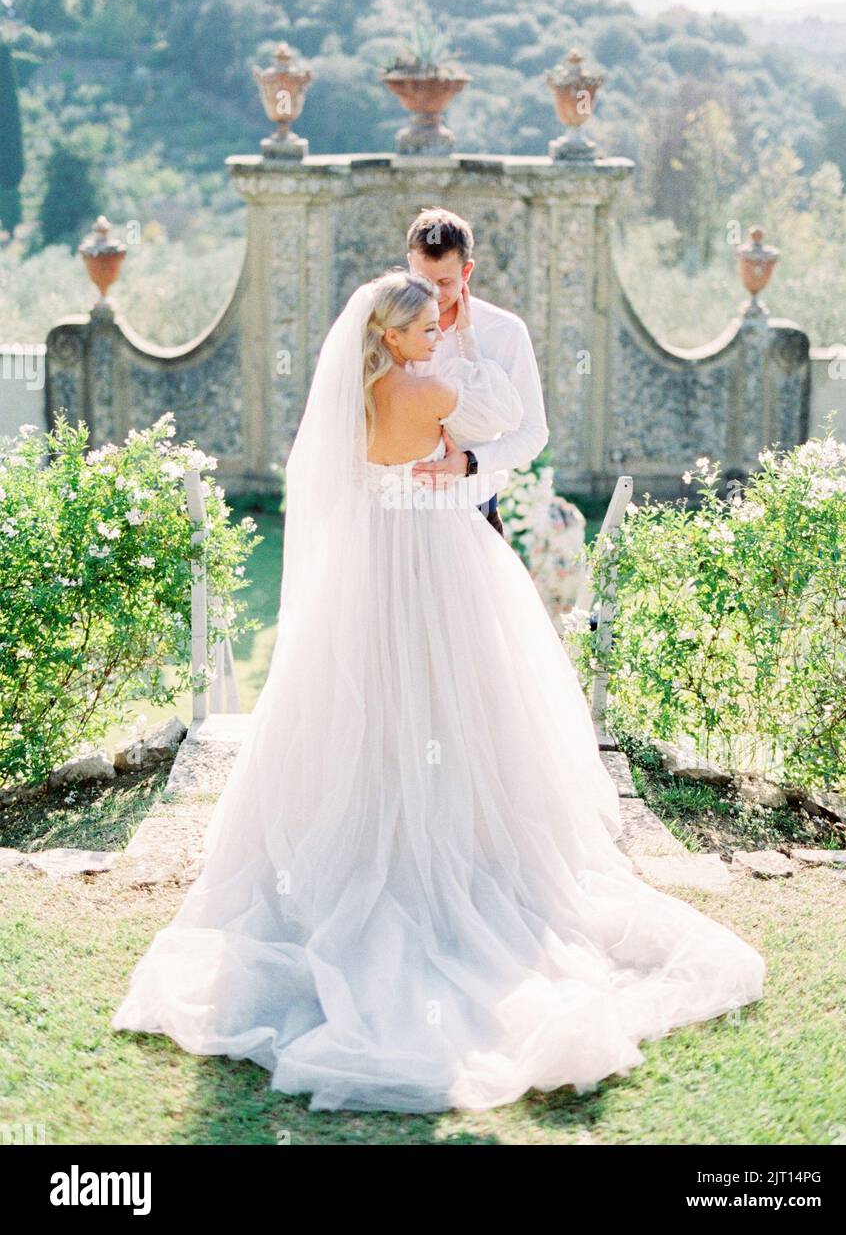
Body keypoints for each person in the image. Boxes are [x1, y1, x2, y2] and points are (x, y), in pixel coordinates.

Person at [110, 268, 766, 1115]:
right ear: (391, 335)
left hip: (367, 562)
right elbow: (494, 437)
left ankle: (371, 830)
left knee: (370, 702)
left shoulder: (356, 393)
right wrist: (460, 388)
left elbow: (357, 474)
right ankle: (462, 841)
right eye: (421, 329)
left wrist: (440, 399)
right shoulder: (433, 386)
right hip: (437, 557)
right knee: (460, 700)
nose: (435, 339)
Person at [404, 206, 548, 536]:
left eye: (445, 282)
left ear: (467, 271)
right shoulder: (383, 327)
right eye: (422, 280)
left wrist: (468, 463)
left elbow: (533, 432)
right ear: (409, 262)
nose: (434, 295)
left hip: (475, 514)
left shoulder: (505, 331)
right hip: (399, 516)